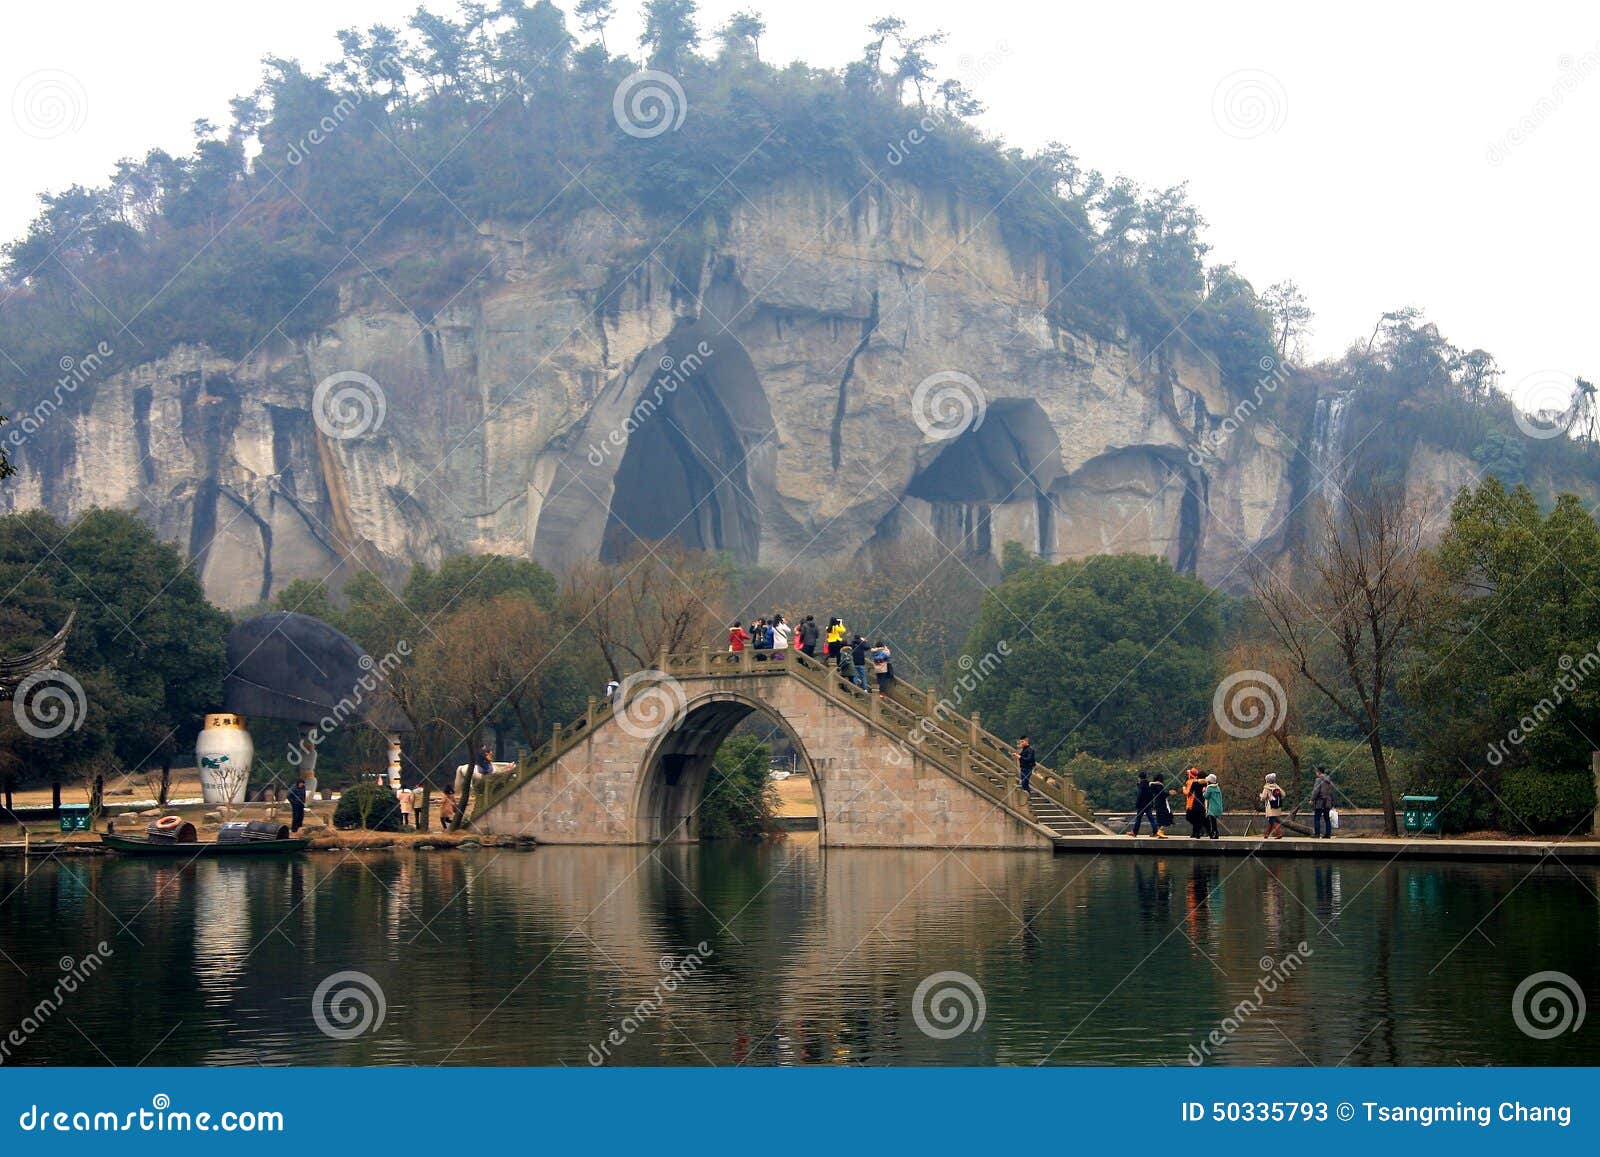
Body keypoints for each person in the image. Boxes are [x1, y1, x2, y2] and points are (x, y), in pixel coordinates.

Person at [1129, 771, 1159, 836]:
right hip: (1148, 804)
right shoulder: (1149, 784)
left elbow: (1140, 795)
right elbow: (1152, 793)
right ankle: (1155, 831)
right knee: (1151, 818)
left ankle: (1134, 832)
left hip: (1141, 805)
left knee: (1138, 818)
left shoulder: (1141, 785)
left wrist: (1137, 803)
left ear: (1139, 777)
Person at [1310, 766, 1335, 839]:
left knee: (1317, 818)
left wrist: (1312, 799)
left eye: (1316, 771)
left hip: (1320, 802)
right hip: (1328, 802)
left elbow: (1316, 791)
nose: (1316, 773)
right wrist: (1333, 802)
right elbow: (1332, 792)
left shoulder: (1318, 780)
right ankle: (1328, 834)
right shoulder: (1330, 781)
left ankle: (1317, 834)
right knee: (1327, 818)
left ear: (1319, 772)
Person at [1182, 766, 1207, 838]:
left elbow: (1188, 793)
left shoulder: (1191, 782)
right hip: (1197, 803)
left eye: (1188, 774)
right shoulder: (1199, 782)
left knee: (1190, 817)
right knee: (1195, 818)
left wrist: (1183, 789)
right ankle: (1196, 832)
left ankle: (1198, 830)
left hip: (1192, 803)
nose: (1187, 775)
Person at [1260, 772, 1285, 839]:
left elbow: (1264, 797)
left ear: (1267, 780)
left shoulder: (1266, 787)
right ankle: (1267, 834)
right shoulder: (1277, 786)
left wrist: (1261, 797)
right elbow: (1283, 794)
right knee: (1272, 820)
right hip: (1277, 806)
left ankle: (1279, 833)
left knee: (1271, 820)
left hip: (1270, 806)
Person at [1149, 773, 1172, 838]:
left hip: (1157, 803)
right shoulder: (1159, 786)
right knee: (1166, 816)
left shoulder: (1152, 785)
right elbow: (1162, 795)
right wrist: (1169, 793)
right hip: (1162, 803)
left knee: (1159, 817)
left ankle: (1158, 832)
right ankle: (1160, 831)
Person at [1204, 773, 1223, 839]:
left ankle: (1215, 833)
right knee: (1213, 821)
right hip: (1218, 807)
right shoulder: (1217, 787)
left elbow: (1206, 796)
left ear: (1209, 781)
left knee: (1212, 821)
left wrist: (1203, 791)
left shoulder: (1209, 788)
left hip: (1212, 808)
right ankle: (1214, 832)